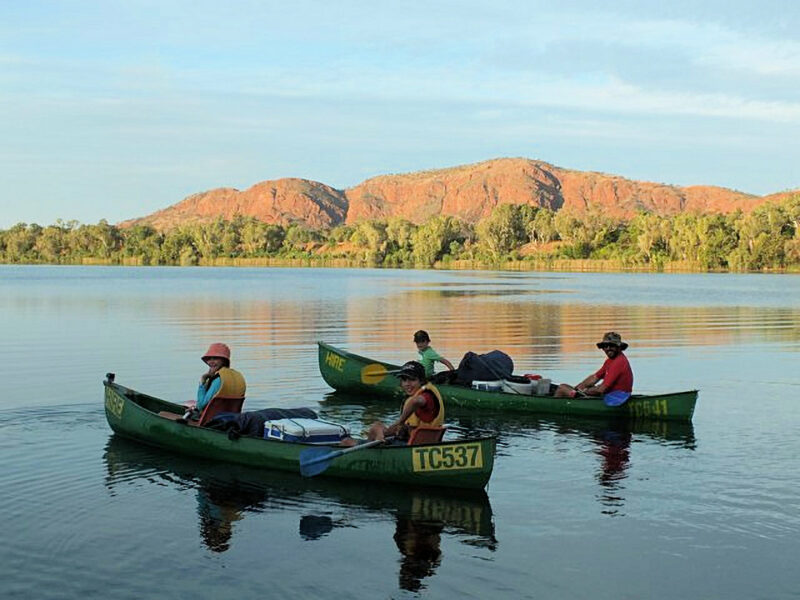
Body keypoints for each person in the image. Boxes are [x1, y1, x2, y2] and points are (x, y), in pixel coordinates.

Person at [367, 361, 445, 442]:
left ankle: (371, 446)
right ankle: (374, 441)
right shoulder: (423, 393)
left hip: (412, 444)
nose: (407, 384)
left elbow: (415, 401)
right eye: (404, 380)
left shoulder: (427, 395)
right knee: (377, 427)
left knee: (375, 428)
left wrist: (400, 422)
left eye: (412, 379)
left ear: (421, 381)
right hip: (413, 440)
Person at [554, 332, 633, 406]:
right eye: (605, 346)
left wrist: (584, 391)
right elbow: (594, 377)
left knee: (562, 388)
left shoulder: (618, 362)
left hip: (616, 398)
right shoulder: (611, 360)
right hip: (613, 395)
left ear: (619, 347)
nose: (608, 348)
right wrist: (578, 387)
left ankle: (556, 408)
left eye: (612, 346)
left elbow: (601, 390)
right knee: (570, 389)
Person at [191, 343, 247, 416]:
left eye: (215, 358)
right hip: (231, 418)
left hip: (212, 419)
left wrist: (202, 383)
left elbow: (200, 406)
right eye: (209, 359)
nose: (211, 362)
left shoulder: (218, 380)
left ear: (224, 360)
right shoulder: (237, 376)